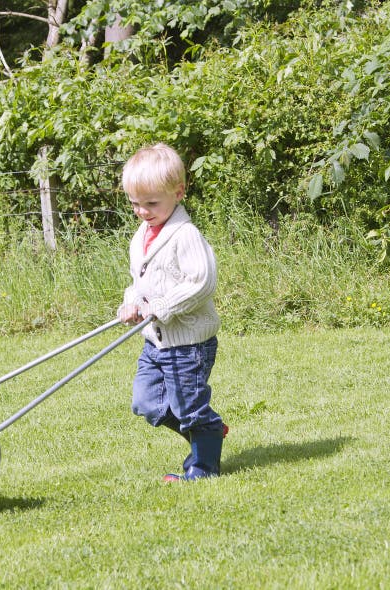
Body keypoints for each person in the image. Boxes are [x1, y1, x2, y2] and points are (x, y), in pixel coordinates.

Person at [117, 142, 227, 482]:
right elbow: (140, 280)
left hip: (187, 344)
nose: (142, 211)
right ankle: (208, 432)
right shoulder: (142, 236)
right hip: (155, 342)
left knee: (188, 408)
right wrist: (131, 302)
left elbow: (201, 283)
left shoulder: (186, 236)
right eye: (135, 203)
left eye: (151, 203)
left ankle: (203, 466)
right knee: (146, 403)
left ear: (178, 193)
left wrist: (160, 308)